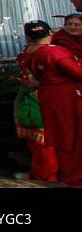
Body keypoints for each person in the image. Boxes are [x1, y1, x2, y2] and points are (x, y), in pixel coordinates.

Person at [22, 17, 82, 186]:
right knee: (68, 138)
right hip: (63, 100)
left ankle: (52, 174)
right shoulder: (53, 51)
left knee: (56, 138)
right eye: (70, 25)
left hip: (47, 97)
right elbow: (78, 73)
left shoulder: (30, 52)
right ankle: (66, 176)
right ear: (50, 33)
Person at [15, 20, 58, 183]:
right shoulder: (41, 51)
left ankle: (48, 175)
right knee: (36, 139)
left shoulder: (52, 52)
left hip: (45, 97)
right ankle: (40, 172)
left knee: (44, 141)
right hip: (32, 97)